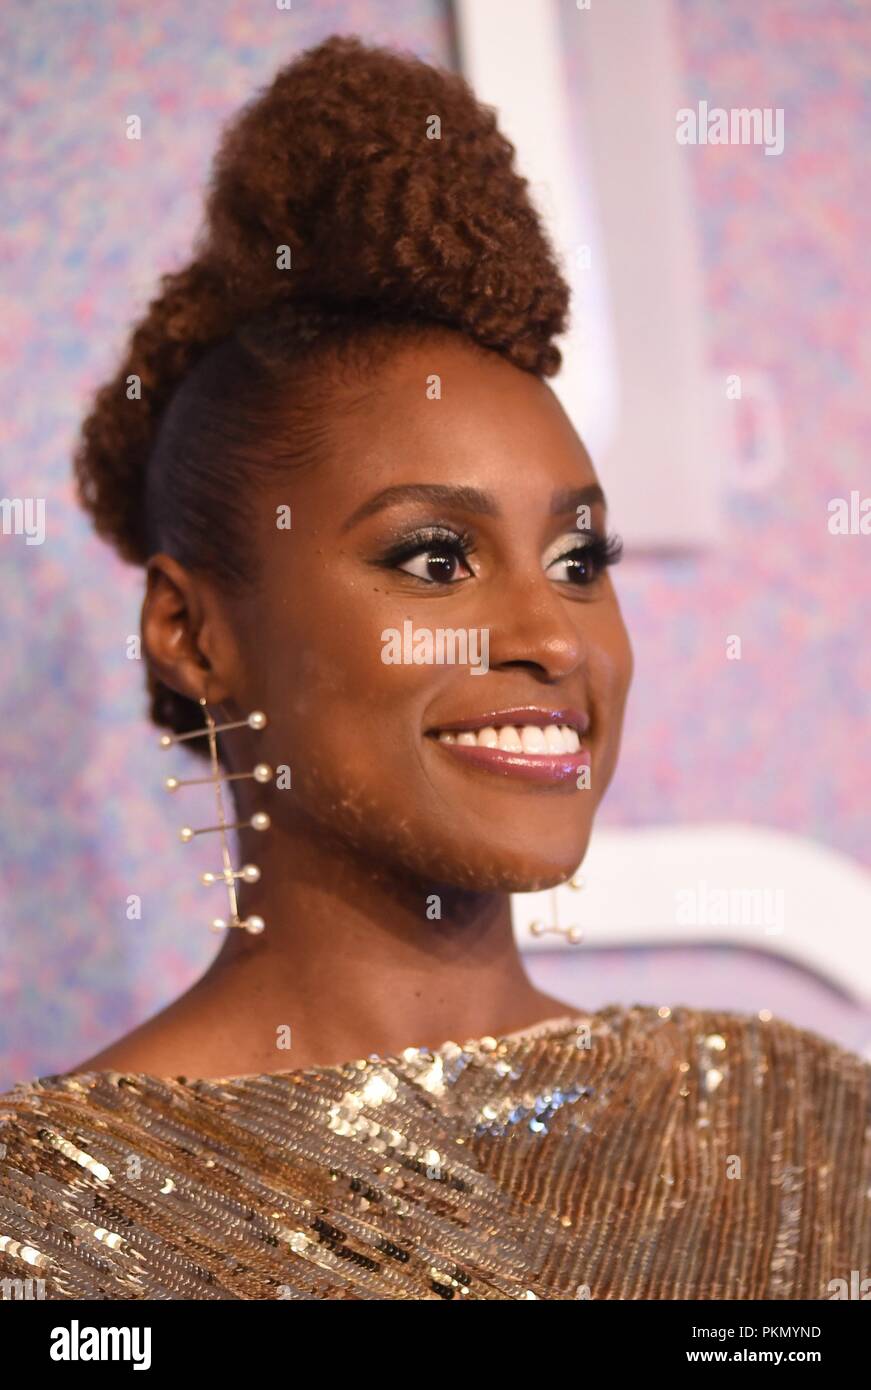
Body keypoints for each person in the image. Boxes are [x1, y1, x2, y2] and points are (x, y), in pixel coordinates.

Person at [0, 35, 867, 1302]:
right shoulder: (50, 1230)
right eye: (433, 558)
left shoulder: (805, 1135)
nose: (556, 635)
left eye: (579, 558)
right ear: (192, 633)